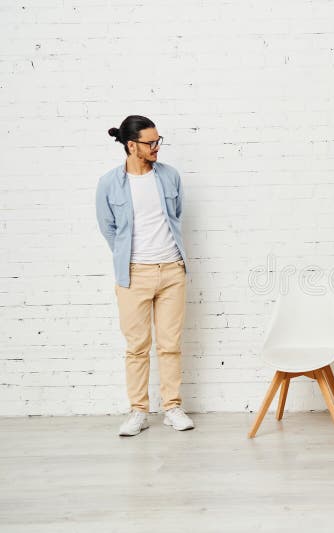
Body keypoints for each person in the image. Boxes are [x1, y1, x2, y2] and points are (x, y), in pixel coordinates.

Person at [96, 115, 194, 436]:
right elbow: (109, 229)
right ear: (131, 145)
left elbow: (176, 215)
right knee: (137, 347)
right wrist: (130, 258)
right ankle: (138, 411)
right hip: (133, 274)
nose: (156, 147)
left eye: (158, 141)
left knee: (170, 345)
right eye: (150, 143)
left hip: (172, 270)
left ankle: (172, 407)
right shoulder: (109, 183)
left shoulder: (169, 176)